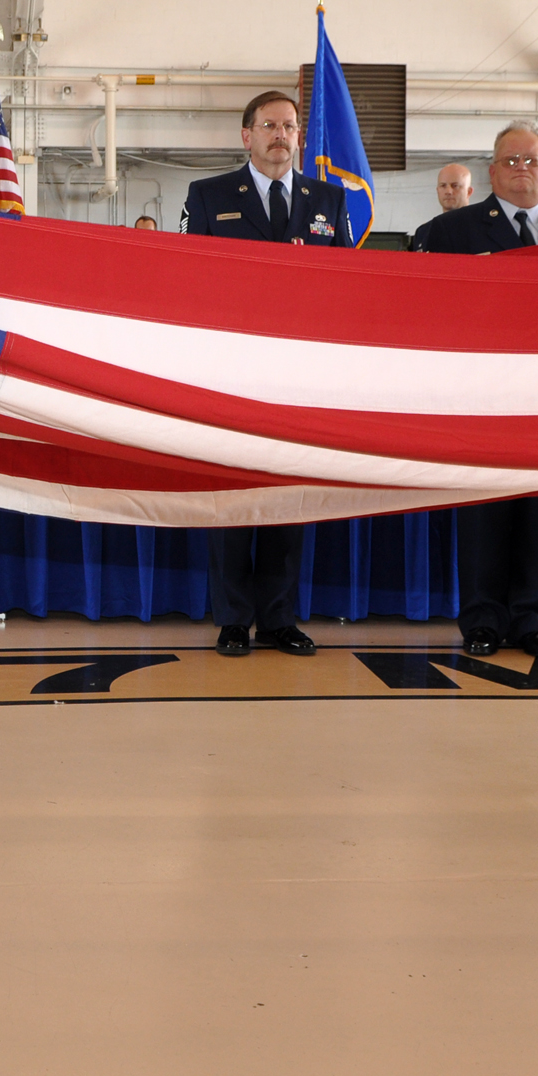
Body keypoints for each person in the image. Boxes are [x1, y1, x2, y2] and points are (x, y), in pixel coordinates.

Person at [418, 122, 538, 662]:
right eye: (510, 161)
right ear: (492, 172)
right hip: (482, 401)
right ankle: (481, 619)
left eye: (532, 160)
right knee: (482, 514)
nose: (522, 170)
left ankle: (532, 618)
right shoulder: (451, 233)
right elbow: (432, 316)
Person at [179, 90, 350, 657]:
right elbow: (187, 282)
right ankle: (232, 619)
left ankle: (278, 617)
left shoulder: (328, 199)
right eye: (270, 125)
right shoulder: (206, 197)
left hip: (298, 378)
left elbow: (348, 285)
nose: (282, 134)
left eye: (291, 126)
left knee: (285, 498)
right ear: (246, 135)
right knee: (231, 496)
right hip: (229, 375)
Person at [409, 162, 475, 250]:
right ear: (438, 190)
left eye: (455, 186)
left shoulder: (481, 229)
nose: (448, 191)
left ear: (469, 192)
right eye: (443, 186)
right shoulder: (424, 232)